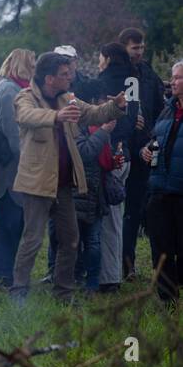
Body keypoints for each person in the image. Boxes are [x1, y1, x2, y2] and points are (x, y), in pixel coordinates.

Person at [10, 51, 127, 301]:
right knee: (32, 241)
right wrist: (56, 116)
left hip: (64, 184)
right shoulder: (25, 97)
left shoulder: (69, 99)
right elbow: (26, 116)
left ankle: (63, 293)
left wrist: (114, 107)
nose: (70, 78)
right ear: (50, 78)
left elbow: (94, 114)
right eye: (65, 75)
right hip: (36, 184)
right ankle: (18, 292)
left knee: (71, 240)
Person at [0, 49, 35, 288]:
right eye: (32, 64)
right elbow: (13, 135)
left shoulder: (16, 89)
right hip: (6, 171)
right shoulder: (8, 91)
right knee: (5, 221)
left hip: (13, 169)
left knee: (12, 221)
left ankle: (4, 270)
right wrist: (31, 158)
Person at [119, 28, 166, 279]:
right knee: (118, 212)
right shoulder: (116, 73)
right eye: (135, 47)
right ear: (124, 47)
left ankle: (130, 265)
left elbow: (161, 109)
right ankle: (115, 264)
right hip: (118, 150)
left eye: (141, 47)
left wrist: (153, 141)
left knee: (137, 211)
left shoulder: (148, 73)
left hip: (144, 151)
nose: (139, 51)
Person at [93, 42, 139, 290]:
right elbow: (135, 119)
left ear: (108, 57)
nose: (99, 62)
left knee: (107, 219)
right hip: (126, 153)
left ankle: (108, 277)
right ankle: (111, 272)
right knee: (115, 217)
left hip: (109, 154)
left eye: (100, 57)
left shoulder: (105, 81)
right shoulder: (135, 79)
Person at [143, 60, 183, 302]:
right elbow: (154, 139)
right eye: (173, 77)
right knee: (160, 249)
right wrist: (145, 151)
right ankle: (167, 300)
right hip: (159, 189)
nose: (173, 81)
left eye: (179, 78)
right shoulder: (167, 109)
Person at [73, 118, 118, 293]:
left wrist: (114, 161)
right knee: (74, 242)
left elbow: (105, 161)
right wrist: (104, 130)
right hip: (77, 194)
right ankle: (74, 279)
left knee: (93, 242)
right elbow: (85, 152)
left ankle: (91, 283)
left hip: (96, 196)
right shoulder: (78, 128)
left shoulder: (99, 132)